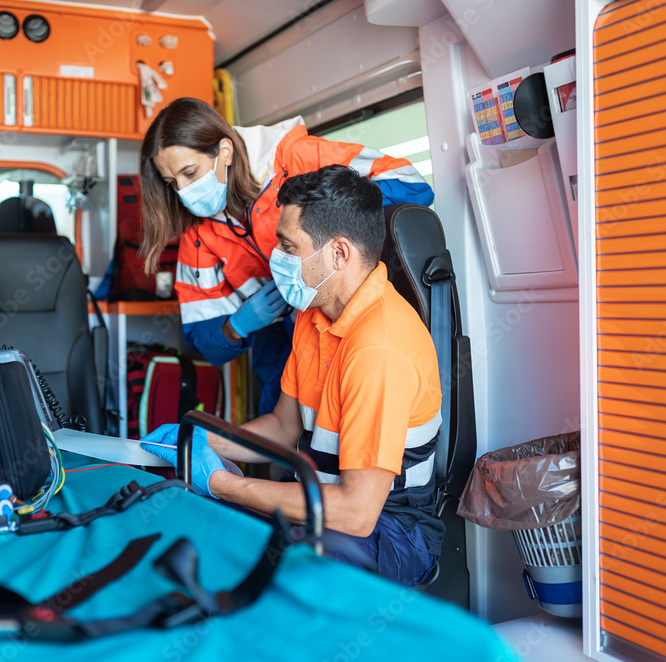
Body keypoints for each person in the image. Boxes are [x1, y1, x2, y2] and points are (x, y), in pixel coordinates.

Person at [141, 165, 444, 587]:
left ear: (339, 254)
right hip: (321, 499)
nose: (276, 258)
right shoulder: (312, 313)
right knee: (198, 529)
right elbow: (285, 427)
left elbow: (357, 512)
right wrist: (199, 442)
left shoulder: (379, 347)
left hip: (391, 529)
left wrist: (222, 482)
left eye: (287, 245)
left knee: (274, 575)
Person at [139, 97, 433, 416]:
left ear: (225, 151)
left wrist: (327, 217)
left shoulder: (294, 157)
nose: (183, 191)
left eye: (190, 172)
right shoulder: (198, 237)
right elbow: (202, 339)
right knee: (282, 430)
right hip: (279, 348)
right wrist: (238, 324)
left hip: (344, 321)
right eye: (172, 183)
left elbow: (411, 185)